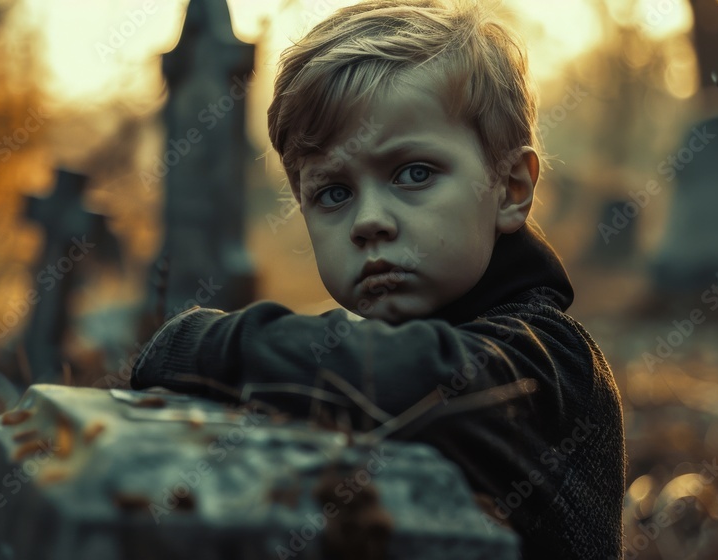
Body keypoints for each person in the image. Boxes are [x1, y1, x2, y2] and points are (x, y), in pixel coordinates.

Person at [131, 1, 626, 558]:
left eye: (413, 174)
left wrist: (200, 344)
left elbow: (415, 376)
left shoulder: (551, 362)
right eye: (333, 193)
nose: (368, 221)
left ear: (511, 187)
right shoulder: (381, 334)